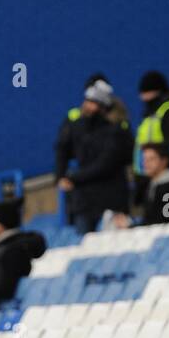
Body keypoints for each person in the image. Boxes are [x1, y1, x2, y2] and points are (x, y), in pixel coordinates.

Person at [57, 80, 131, 235]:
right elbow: (62, 148)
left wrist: (73, 178)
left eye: (92, 102)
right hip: (85, 202)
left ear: (102, 106)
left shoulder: (115, 132)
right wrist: (60, 176)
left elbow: (105, 165)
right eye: (87, 101)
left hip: (112, 200)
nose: (87, 106)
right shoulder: (77, 127)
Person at [54, 71, 111, 225]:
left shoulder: (114, 120)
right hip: (83, 188)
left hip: (108, 187)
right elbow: (62, 148)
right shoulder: (74, 118)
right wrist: (60, 176)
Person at [133, 70, 169, 208]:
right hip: (147, 176)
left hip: (164, 171)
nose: (143, 98)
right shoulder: (150, 112)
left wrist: (159, 163)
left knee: (167, 216)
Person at [113, 142, 169, 227]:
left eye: (151, 159)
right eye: (144, 159)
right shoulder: (151, 183)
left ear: (164, 161)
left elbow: (168, 222)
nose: (146, 163)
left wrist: (130, 226)